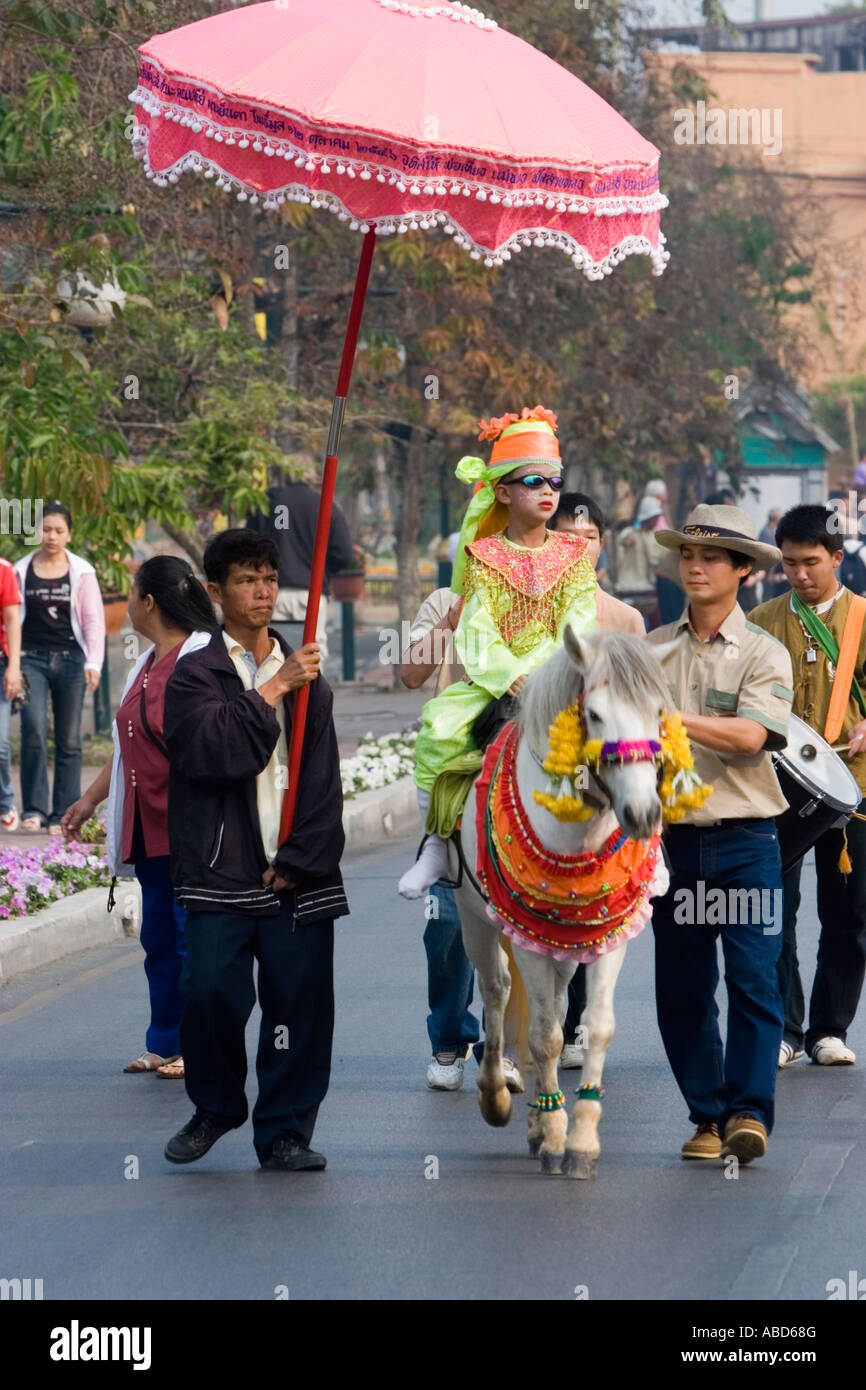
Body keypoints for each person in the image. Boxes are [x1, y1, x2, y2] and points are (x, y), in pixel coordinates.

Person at [162, 528, 348, 1172]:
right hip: (222, 870)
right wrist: (272, 690)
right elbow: (209, 753)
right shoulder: (196, 674)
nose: (263, 591)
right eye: (246, 579)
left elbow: (324, 779)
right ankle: (215, 1105)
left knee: (298, 1007)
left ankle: (286, 1130)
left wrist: (303, 859)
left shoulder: (309, 677)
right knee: (209, 991)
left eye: (269, 577)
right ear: (216, 592)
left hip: (295, 874)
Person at [398, 405, 596, 900]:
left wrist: (547, 674)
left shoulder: (574, 555)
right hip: (496, 680)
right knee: (439, 733)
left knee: (627, 735)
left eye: (555, 480)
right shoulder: (482, 557)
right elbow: (477, 623)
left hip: (563, 678)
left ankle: (645, 845)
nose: (549, 491)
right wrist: (510, 675)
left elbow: (580, 620)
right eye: (534, 481)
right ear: (503, 492)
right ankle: (438, 845)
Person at [648, 504, 794, 1164]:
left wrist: (669, 717)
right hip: (669, 846)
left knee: (754, 981)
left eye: (712, 557)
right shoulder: (648, 649)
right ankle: (706, 1116)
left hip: (746, 842)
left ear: (743, 570)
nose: (696, 565)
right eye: (687, 555)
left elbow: (751, 737)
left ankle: (748, 1113)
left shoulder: (766, 653)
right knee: (680, 991)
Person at [61, 557, 217, 1078]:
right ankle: (164, 1040)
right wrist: (89, 800)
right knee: (157, 940)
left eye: (130, 591)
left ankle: (197, 1045)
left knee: (188, 937)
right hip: (146, 827)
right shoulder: (144, 663)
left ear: (149, 602)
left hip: (190, 827)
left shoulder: (202, 657)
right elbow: (126, 747)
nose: (125, 601)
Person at [751, 505, 866, 1069]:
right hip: (776, 789)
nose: (798, 574)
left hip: (855, 789)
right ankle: (784, 1030)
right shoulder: (763, 619)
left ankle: (828, 1028)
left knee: (848, 912)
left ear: (837, 558)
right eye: (789, 564)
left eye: (811, 563)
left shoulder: (864, 618)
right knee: (777, 910)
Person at [401, 589, 481, 1089]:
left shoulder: (547, 585)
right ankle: (450, 1041)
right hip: (452, 774)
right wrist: (451, 621)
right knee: (448, 921)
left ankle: (509, 1044)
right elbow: (411, 674)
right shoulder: (446, 600)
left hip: (522, 768)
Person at [13, 502, 105, 833]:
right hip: (30, 660)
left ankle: (63, 812)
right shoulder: (20, 570)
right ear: (38, 531)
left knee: (68, 739)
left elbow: (94, 621)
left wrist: (94, 662)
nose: (51, 536)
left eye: (59, 530)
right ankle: (35, 808)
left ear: (69, 534)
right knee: (33, 730)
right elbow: (10, 617)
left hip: (71, 660)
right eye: (46, 529)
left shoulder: (82, 571)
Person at [245, 461, 355, 660]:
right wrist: (323, 570)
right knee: (312, 653)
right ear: (312, 476)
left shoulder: (267, 501)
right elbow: (345, 554)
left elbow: (247, 545)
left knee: (270, 652)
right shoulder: (323, 503)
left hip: (270, 589)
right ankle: (311, 692)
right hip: (310, 592)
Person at [550, 491, 645, 635]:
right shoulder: (527, 614)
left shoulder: (627, 619)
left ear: (600, 546)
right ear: (546, 542)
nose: (581, 546)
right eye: (568, 536)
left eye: (590, 537)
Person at [0, 558, 23, 832]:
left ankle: (5, 801)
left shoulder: (3, 569)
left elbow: (12, 618)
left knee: (1, 745)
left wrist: (14, 666)